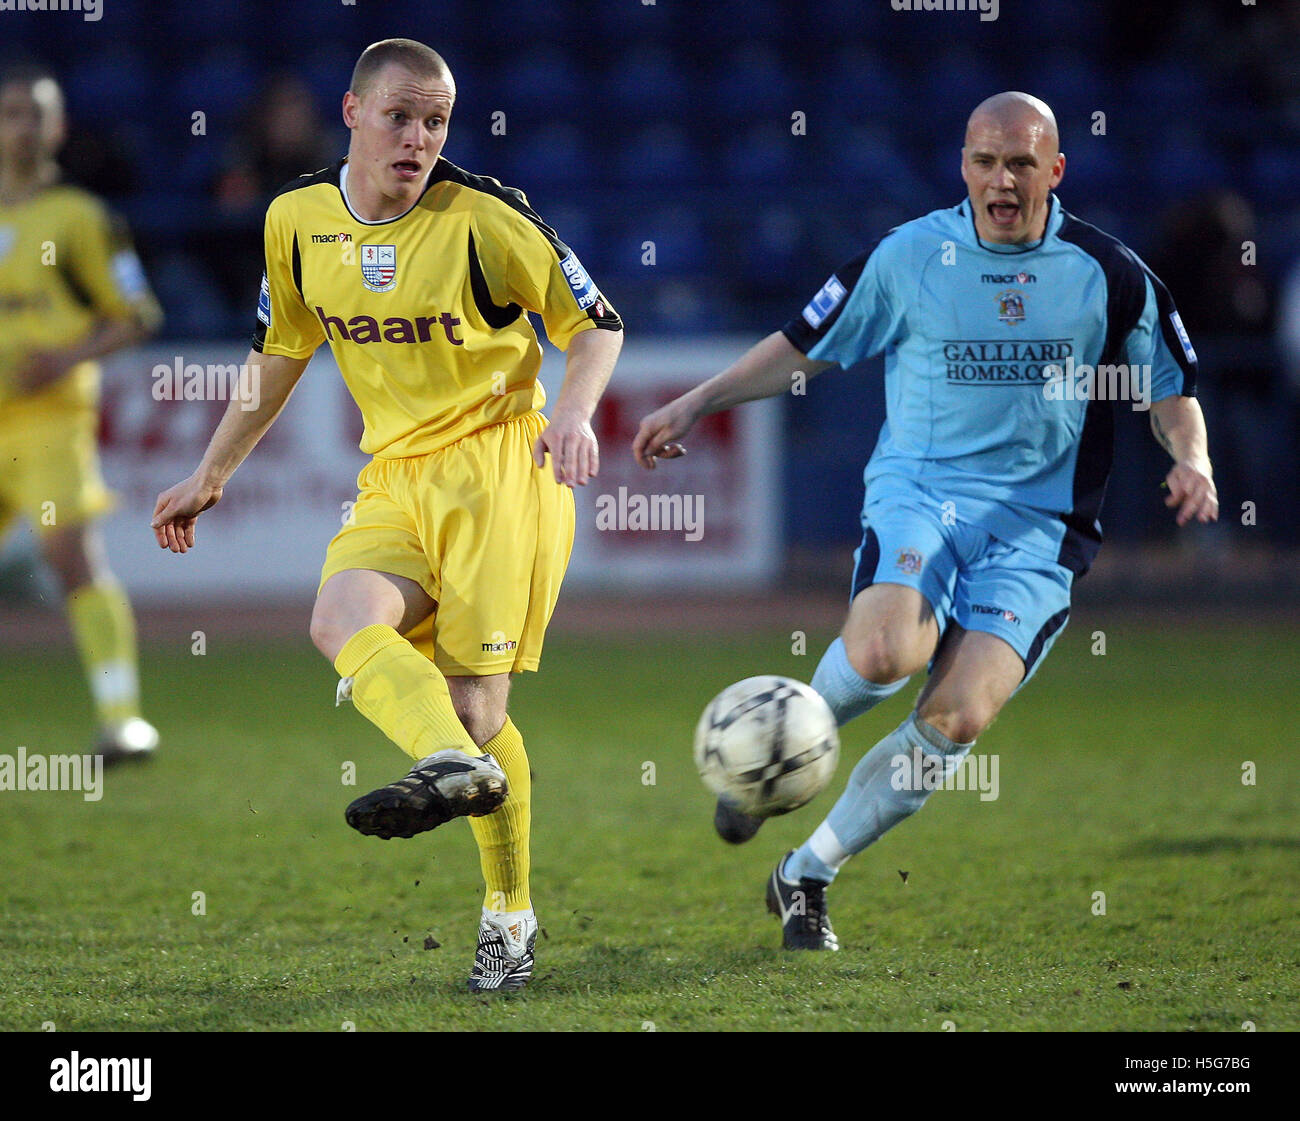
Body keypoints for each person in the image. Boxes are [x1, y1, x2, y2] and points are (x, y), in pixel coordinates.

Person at [634, 92, 1217, 951]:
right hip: (922, 493)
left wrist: (1192, 458)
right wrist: (698, 400)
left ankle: (806, 873)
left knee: (957, 718)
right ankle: (778, 741)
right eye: (984, 161)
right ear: (964, 167)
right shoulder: (910, 256)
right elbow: (805, 343)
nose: (1002, 179)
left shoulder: (1111, 273)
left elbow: (1171, 387)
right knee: (883, 654)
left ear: (1056, 170)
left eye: (1021, 163)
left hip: (1039, 529)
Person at [152, 39, 623, 990]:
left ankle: (509, 913)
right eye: (401, 116)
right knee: (338, 618)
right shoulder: (295, 220)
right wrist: (212, 469)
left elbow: (594, 322)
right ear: (353, 113)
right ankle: (452, 765)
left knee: (478, 712)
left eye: (437, 120)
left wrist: (573, 411)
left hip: (502, 470)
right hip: (396, 474)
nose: (419, 138)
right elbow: (281, 351)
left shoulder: (484, 218)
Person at [0, 65, 163, 763]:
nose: (22, 127)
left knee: (68, 553)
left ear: (57, 127)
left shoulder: (82, 217)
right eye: (10, 113)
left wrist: (64, 359)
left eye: (35, 114)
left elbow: (137, 314)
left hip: (48, 418)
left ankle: (122, 717)